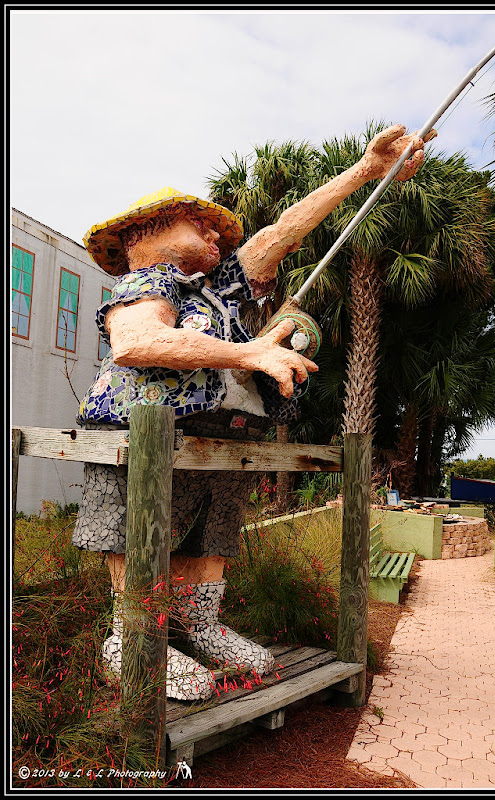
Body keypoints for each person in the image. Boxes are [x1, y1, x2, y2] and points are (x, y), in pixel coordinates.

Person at [73, 124, 435, 700]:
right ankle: (135, 637)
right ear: (144, 231)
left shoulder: (220, 287)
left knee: (210, 533)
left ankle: (201, 625)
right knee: (139, 531)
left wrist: (367, 170)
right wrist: (251, 352)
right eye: (201, 225)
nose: (217, 235)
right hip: (144, 432)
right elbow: (136, 343)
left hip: (221, 433)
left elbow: (282, 232)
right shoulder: (148, 283)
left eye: (219, 231)